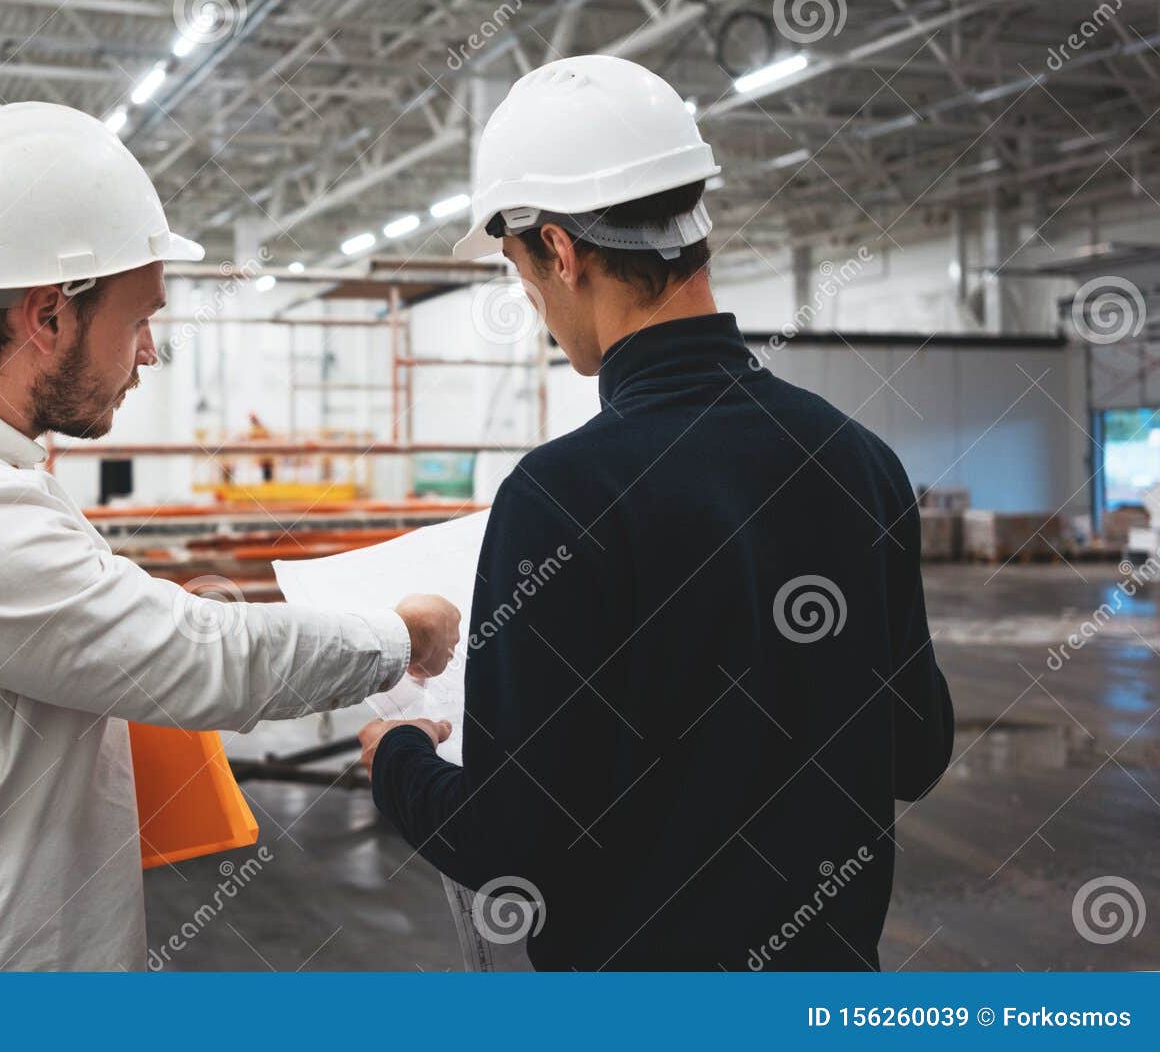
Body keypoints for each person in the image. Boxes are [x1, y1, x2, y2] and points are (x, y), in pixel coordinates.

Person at [0, 102, 460, 971]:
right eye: (138, 320)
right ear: (47, 317)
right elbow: (203, 658)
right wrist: (401, 634)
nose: (151, 354)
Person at [359, 57, 953, 971]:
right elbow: (914, 750)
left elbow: (510, 838)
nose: (542, 313)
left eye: (524, 281)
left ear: (558, 250)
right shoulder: (859, 462)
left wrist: (397, 756)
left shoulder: (564, 494)